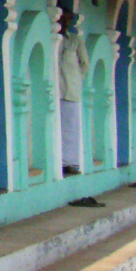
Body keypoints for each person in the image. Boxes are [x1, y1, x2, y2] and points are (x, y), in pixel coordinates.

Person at [59, 14, 90, 175]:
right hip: (51, 91)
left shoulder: (75, 41)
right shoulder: (52, 39)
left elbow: (84, 65)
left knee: (70, 128)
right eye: (62, 18)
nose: (64, 22)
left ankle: (69, 162)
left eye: (67, 20)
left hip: (70, 91)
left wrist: (75, 81)